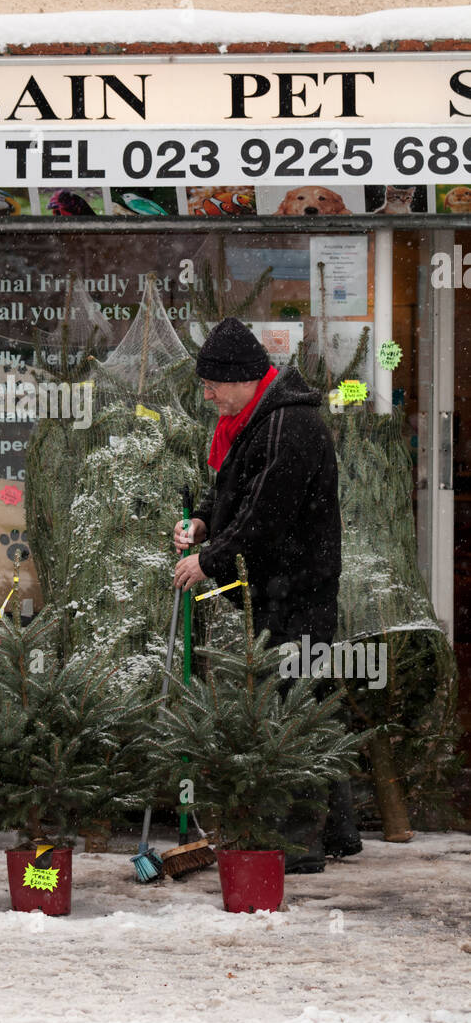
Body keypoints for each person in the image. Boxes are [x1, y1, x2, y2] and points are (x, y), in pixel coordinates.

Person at [172, 316, 361, 873]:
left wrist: (207, 561)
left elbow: (264, 515)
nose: (207, 395)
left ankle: (299, 843)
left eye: (212, 384)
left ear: (243, 377)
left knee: (290, 709)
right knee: (309, 701)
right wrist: (206, 520)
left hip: (298, 589)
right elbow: (233, 489)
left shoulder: (290, 428)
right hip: (282, 587)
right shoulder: (256, 420)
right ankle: (342, 831)